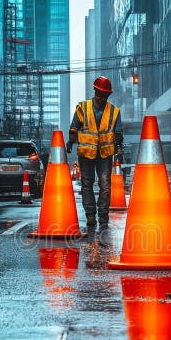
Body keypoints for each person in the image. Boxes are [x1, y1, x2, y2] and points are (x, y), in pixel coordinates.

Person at [67, 76, 124, 227]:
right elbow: (74, 127)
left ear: (108, 95)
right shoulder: (83, 108)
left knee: (105, 185)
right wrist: (71, 141)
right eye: (99, 94)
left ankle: (103, 216)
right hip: (86, 153)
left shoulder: (114, 111)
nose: (101, 98)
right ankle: (90, 215)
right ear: (95, 92)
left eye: (104, 96)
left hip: (105, 154)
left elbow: (118, 132)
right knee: (87, 183)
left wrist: (119, 141)